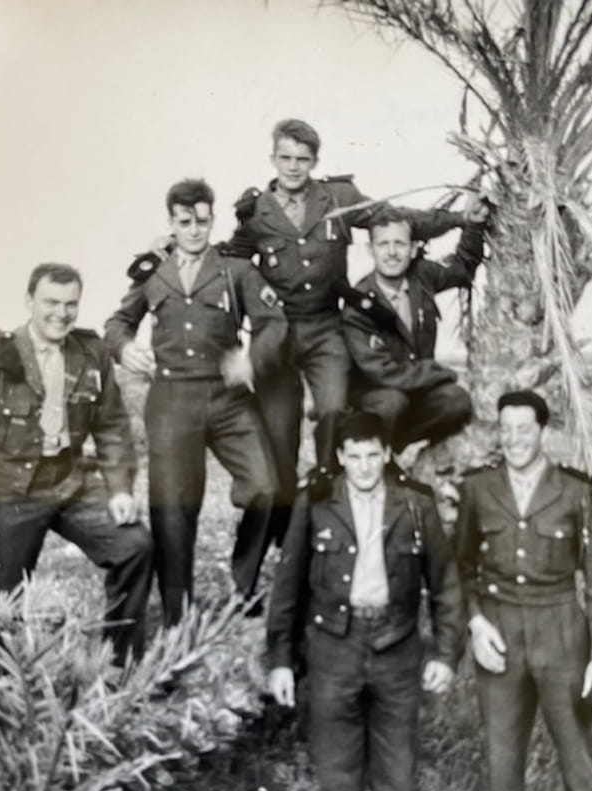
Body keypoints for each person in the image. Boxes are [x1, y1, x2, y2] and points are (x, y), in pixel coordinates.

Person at [219, 117, 473, 545]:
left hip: (324, 329)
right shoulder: (256, 213)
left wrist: (458, 220)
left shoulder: (337, 197)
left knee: (335, 411)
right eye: (286, 158)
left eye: (303, 159)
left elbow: (396, 219)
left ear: (315, 161)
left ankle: (330, 496)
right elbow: (227, 261)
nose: (294, 167)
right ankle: (285, 538)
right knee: (280, 439)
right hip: (277, 335)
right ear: (273, 158)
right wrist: (171, 250)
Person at [266, 410, 465, 791]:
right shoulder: (315, 504)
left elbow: (445, 586)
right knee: (338, 779)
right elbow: (287, 587)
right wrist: (281, 661)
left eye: (372, 454)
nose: (362, 466)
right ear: (339, 458)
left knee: (395, 777)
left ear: (387, 454)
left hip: (397, 647)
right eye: (352, 456)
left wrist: (445, 652)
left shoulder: (415, 506)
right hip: (334, 649)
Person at [453, 390, 592, 791]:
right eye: (505, 429)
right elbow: (457, 571)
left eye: (524, 429)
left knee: (579, 770)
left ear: (542, 430)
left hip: (561, 636)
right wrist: (475, 623)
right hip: (499, 640)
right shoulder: (478, 489)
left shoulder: (575, 490)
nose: (514, 439)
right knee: (503, 772)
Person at [0, 263, 153, 664]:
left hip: (71, 483)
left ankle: (119, 670)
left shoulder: (90, 352)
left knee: (134, 546)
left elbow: (111, 425)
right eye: (51, 303)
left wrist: (120, 488)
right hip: (11, 490)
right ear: (29, 302)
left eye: (70, 305)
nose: (61, 314)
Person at [104, 178, 287, 625]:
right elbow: (117, 322)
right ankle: (176, 613)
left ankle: (243, 582)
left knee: (266, 487)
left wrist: (251, 358)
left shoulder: (234, 270)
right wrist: (125, 349)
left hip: (228, 399)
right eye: (184, 222)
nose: (193, 230)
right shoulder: (154, 273)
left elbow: (275, 323)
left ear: (212, 220)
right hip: (171, 401)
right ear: (171, 222)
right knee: (172, 509)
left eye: (202, 222)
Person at [340, 201, 488, 458]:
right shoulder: (359, 303)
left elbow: (462, 271)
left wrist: (473, 228)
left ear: (413, 248)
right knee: (391, 402)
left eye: (400, 244)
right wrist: (440, 372)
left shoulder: (422, 276)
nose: (392, 253)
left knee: (456, 401)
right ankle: (377, 458)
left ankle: (398, 448)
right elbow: (382, 373)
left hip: (415, 391)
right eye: (383, 244)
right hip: (374, 397)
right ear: (370, 250)